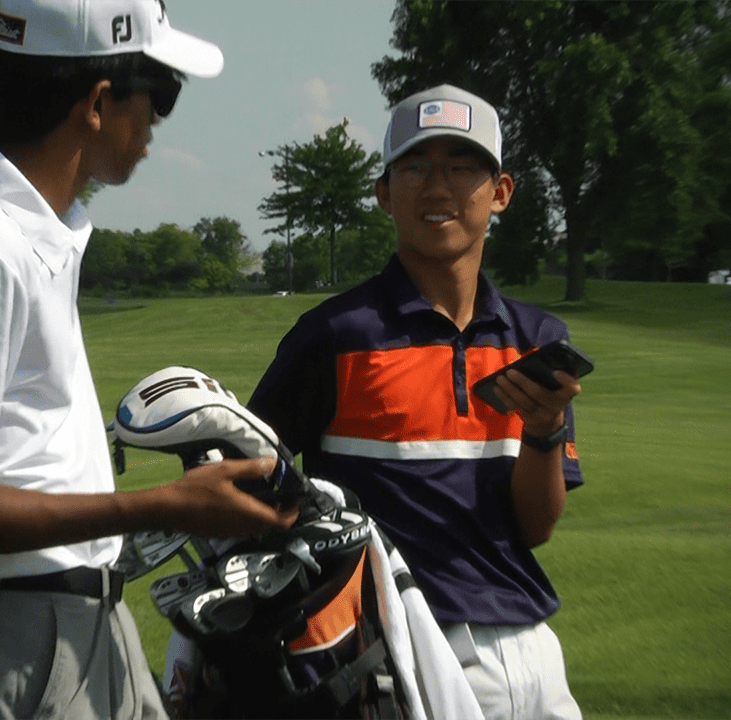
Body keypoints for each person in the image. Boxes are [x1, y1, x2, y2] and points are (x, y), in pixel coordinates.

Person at [0, 1, 298, 718]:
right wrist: (160, 506)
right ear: (99, 102)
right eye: (159, 94)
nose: (157, 124)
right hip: (17, 640)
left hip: (73, 622)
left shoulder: (27, 227)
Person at [247, 84, 585, 719]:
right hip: (398, 650)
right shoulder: (335, 335)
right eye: (415, 168)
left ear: (500, 191)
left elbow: (535, 528)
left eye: (461, 166)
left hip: (532, 645)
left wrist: (544, 429)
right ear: (384, 192)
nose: (437, 188)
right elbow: (253, 484)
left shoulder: (538, 340)